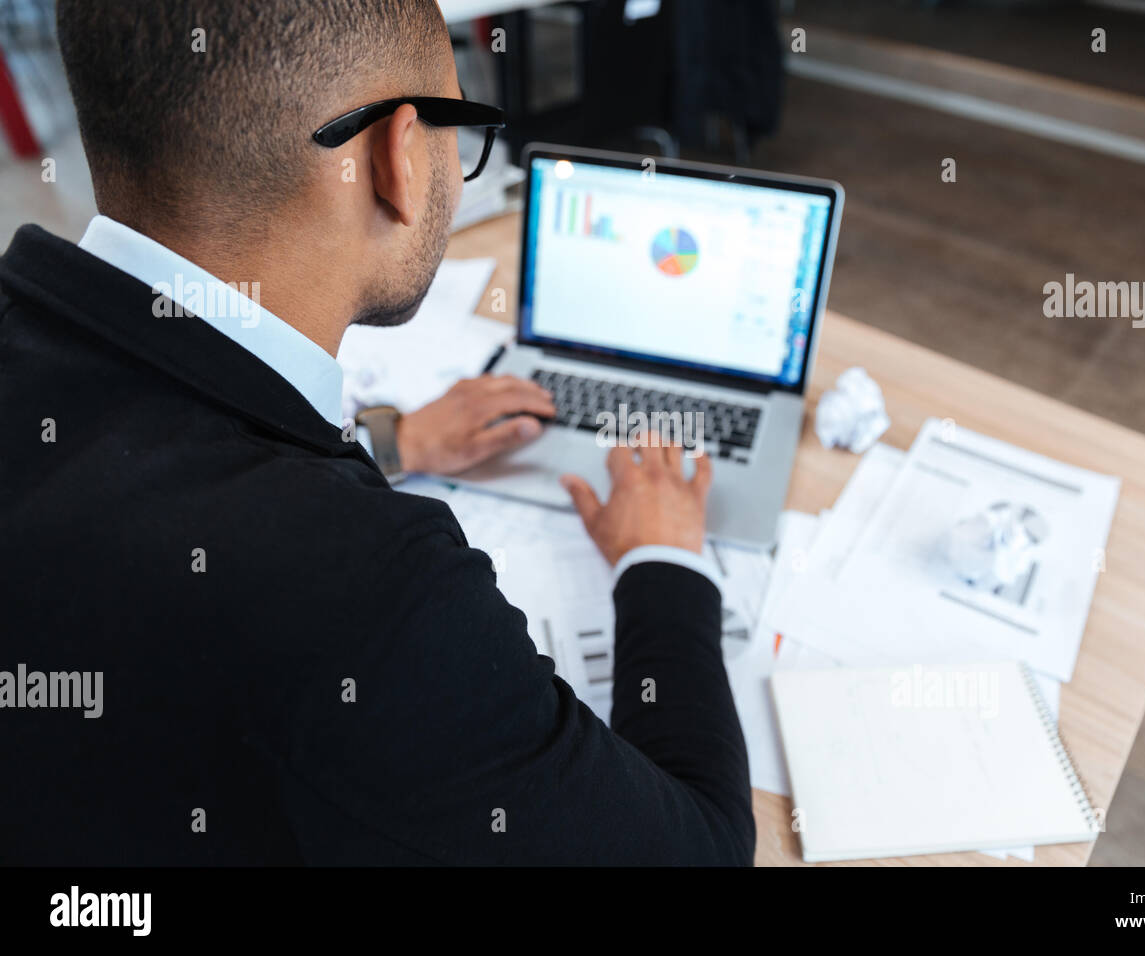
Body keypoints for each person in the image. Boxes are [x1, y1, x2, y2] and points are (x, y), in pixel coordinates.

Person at [0, 0, 753, 865]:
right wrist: (663, 563)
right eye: (458, 127)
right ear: (395, 156)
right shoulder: (367, 594)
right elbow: (701, 853)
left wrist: (393, 445)